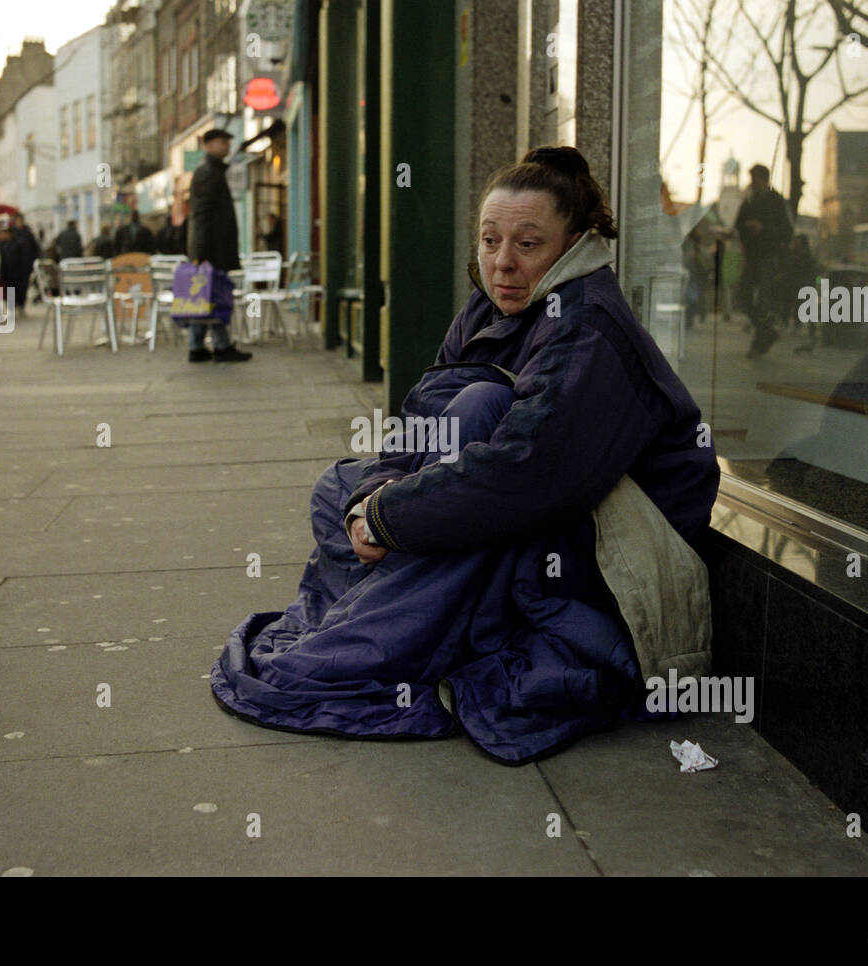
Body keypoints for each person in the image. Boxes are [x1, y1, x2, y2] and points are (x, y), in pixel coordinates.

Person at [210, 146, 721, 764]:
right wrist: (372, 497)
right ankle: (404, 601)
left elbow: (525, 474)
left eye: (528, 244)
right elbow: (423, 415)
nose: (503, 262)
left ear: (575, 243)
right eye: (489, 240)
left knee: (477, 413)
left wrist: (390, 518)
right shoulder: (492, 302)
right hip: (523, 506)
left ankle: (374, 629)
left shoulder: (588, 324)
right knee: (337, 487)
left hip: (615, 557)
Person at [187, 128, 250, 362]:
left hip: (211, 248)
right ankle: (220, 346)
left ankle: (197, 346)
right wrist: (201, 253)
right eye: (222, 142)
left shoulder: (213, 172)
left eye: (227, 142)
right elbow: (201, 215)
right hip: (212, 250)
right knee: (215, 296)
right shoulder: (208, 173)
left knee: (205, 297)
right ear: (209, 145)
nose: (226, 146)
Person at [734, 163, 793, 359]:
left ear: (764, 180)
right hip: (752, 256)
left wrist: (763, 228)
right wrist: (744, 229)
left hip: (768, 257)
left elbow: (786, 230)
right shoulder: (749, 201)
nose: (752, 184)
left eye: (755, 180)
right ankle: (767, 332)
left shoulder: (776, 200)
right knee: (744, 296)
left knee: (763, 302)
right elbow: (739, 224)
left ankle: (759, 343)